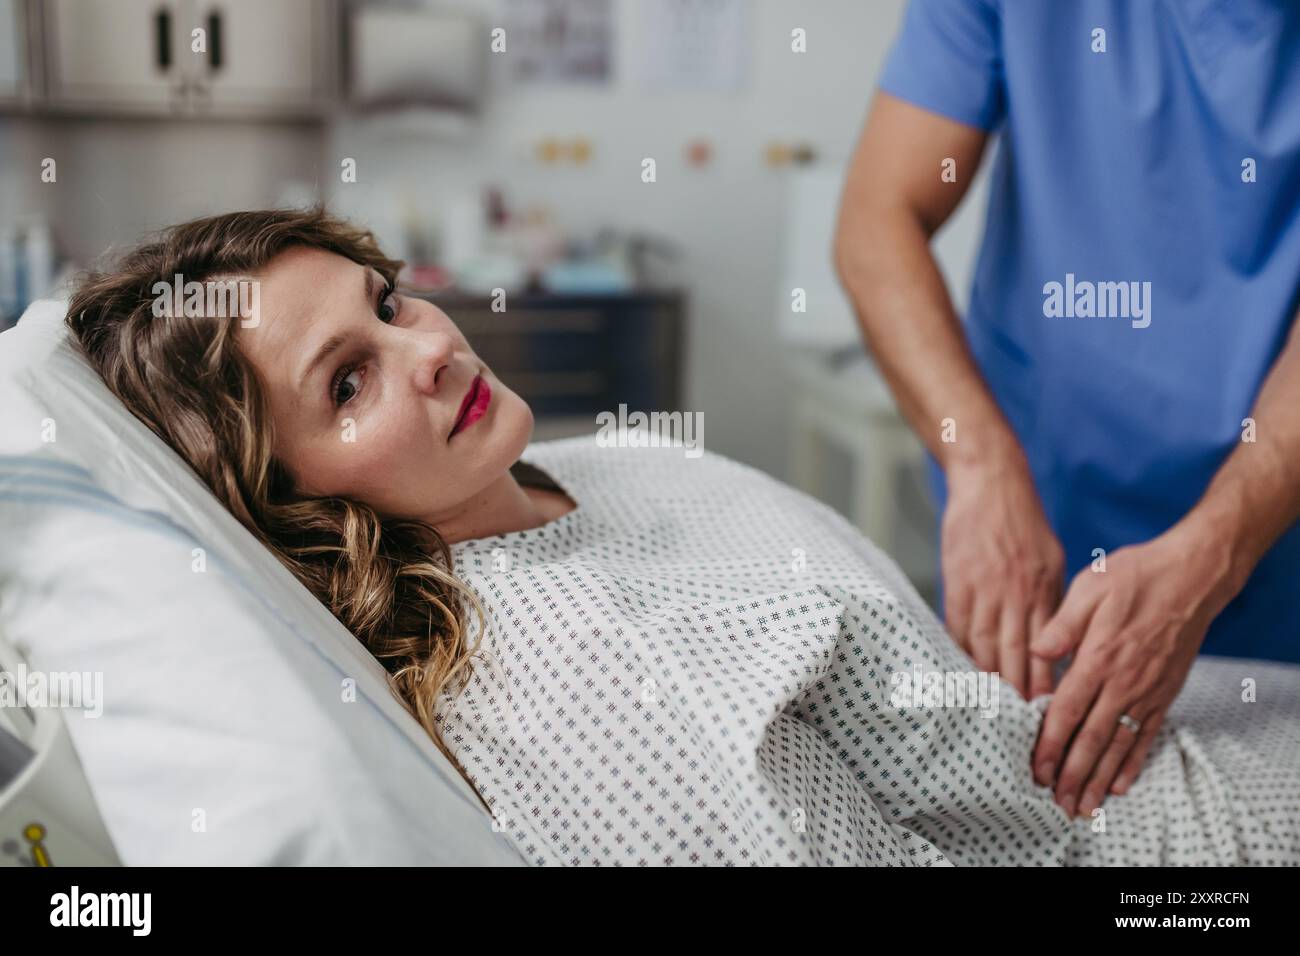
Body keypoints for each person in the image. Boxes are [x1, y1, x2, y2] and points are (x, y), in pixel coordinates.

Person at [64, 207, 1299, 862]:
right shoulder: (585, 695)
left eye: (386, 304)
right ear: (288, 506)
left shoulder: (600, 465)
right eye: (349, 381)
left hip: (1142, 754)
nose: (433, 346)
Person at [834, 0, 1300, 819]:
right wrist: (980, 465)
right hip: (1035, 520)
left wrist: (1218, 550)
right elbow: (877, 221)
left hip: (1273, 536)